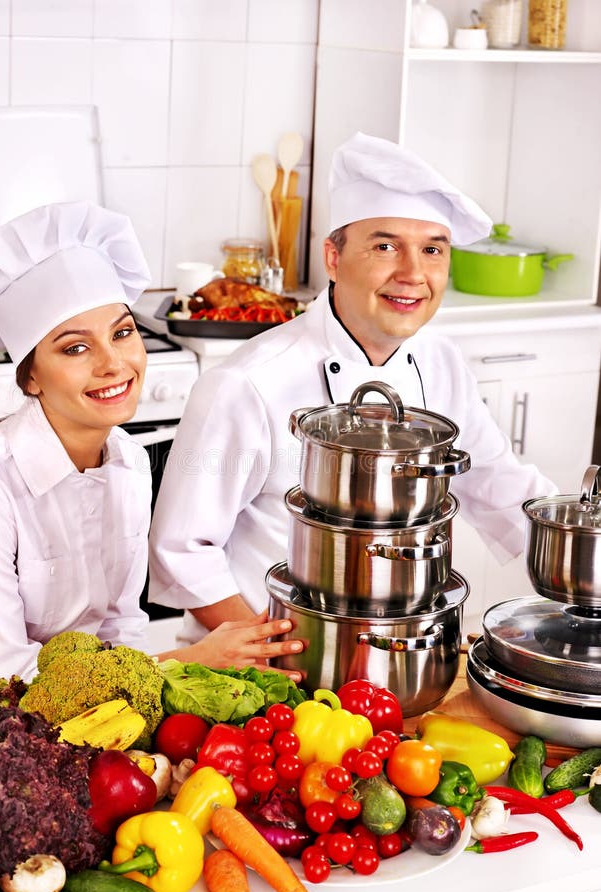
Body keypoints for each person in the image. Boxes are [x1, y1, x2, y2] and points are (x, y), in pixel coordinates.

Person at [148, 132, 557, 646]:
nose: (412, 274)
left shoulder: (441, 361)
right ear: (334, 258)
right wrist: (276, 651)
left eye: (432, 250)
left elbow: (501, 487)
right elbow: (182, 549)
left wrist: (583, 551)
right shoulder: (247, 382)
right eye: (385, 246)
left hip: (401, 658)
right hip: (268, 667)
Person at [0, 201, 303, 701]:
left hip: (93, 703)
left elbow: (120, 630)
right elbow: (4, 682)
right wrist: (190, 659)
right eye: (75, 348)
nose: (113, 364)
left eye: (122, 333)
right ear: (31, 376)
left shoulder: (127, 460)